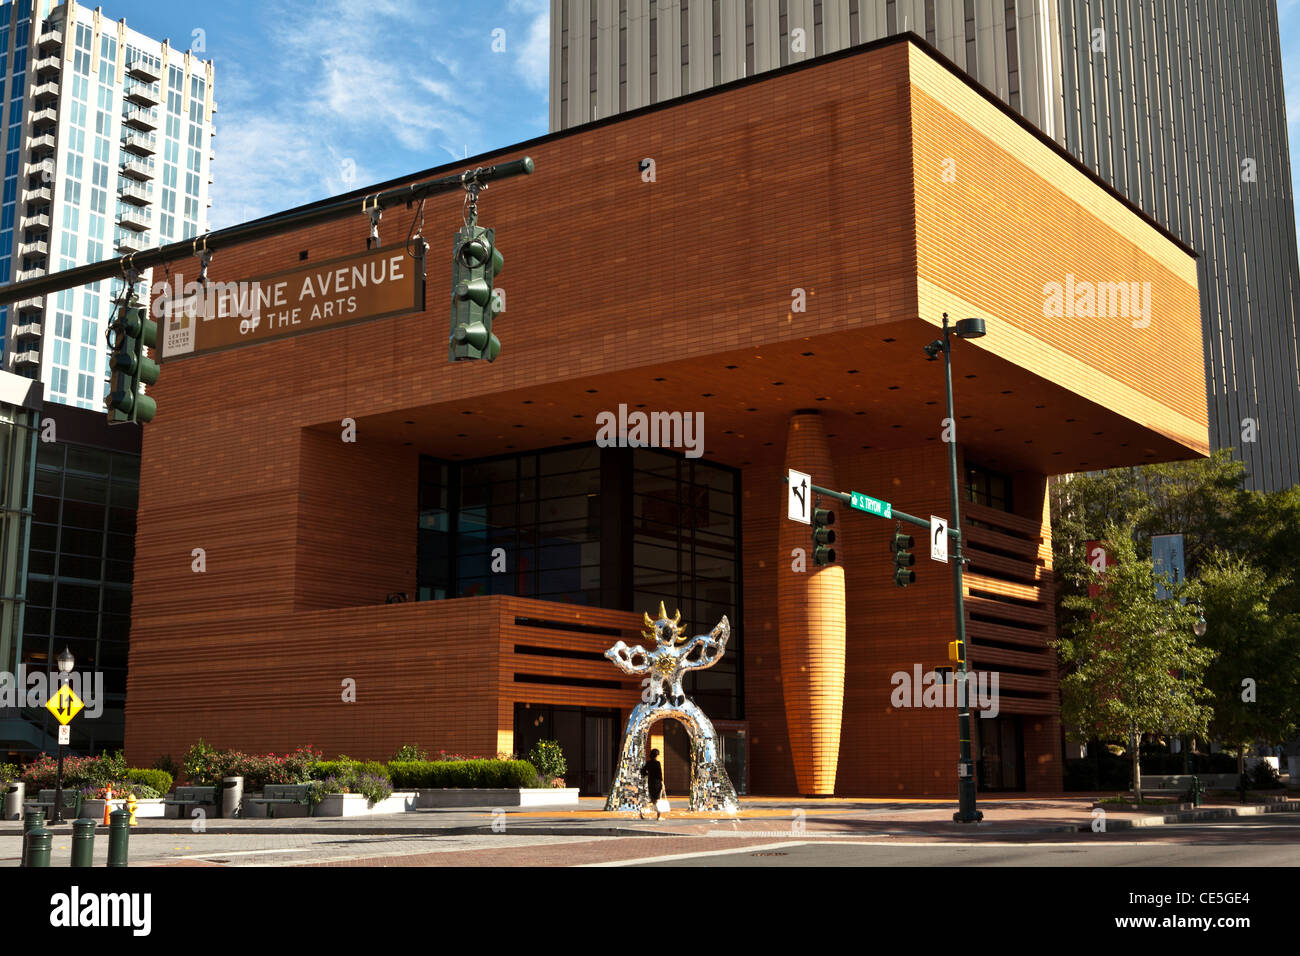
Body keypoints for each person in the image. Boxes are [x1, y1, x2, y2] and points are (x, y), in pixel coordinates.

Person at [640, 748, 665, 820]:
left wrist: (648, 774)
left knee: (654, 799)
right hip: (657, 783)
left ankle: (657, 815)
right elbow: (659, 775)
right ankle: (657, 815)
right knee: (657, 800)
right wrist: (662, 784)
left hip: (650, 782)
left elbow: (643, 771)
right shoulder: (657, 763)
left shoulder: (648, 763)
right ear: (656, 755)